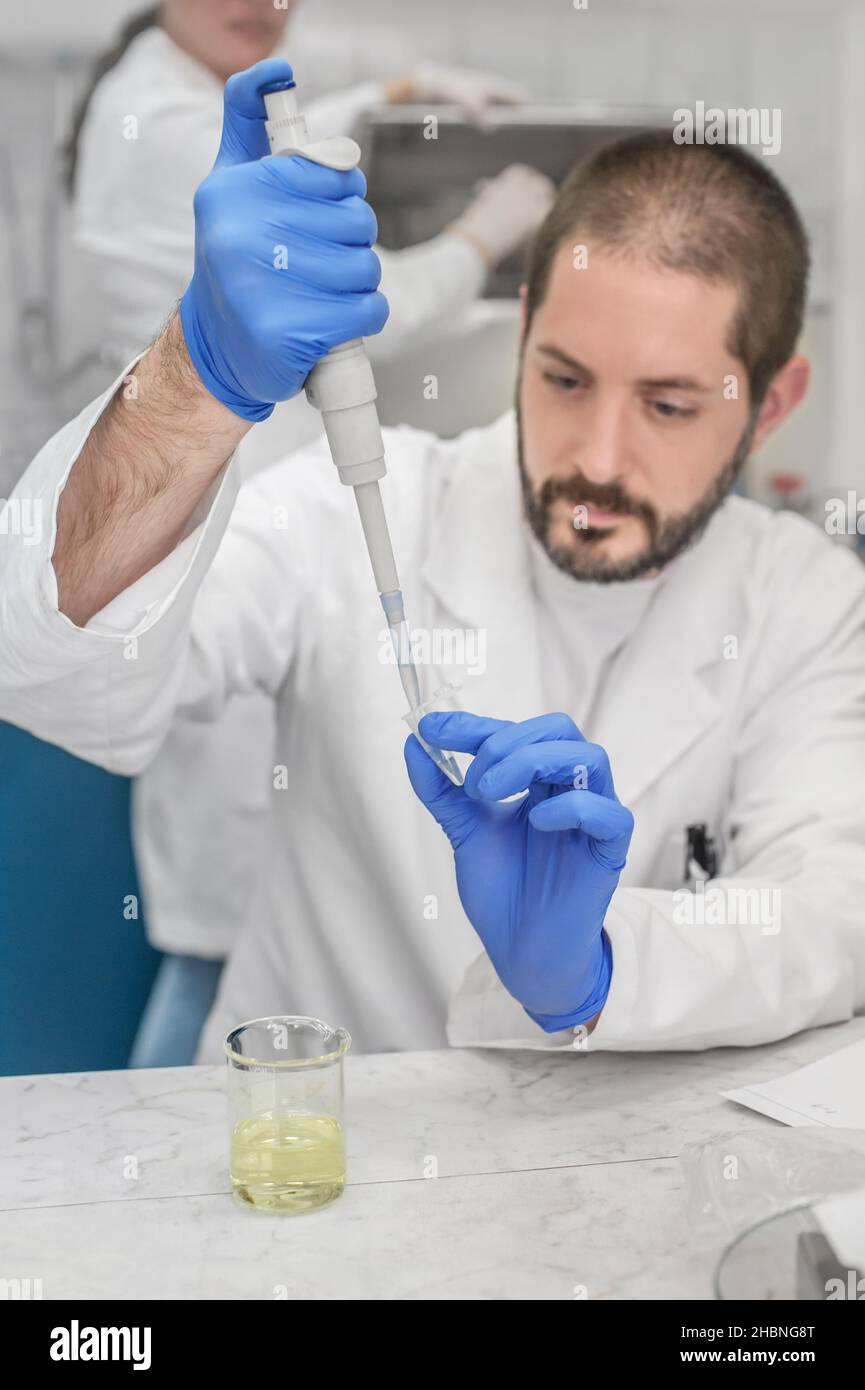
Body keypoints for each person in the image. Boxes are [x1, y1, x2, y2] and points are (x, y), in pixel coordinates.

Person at [3, 61, 864, 1060]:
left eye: (668, 404)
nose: (597, 456)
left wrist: (590, 966)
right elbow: (58, 667)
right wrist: (193, 380)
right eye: (565, 377)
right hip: (317, 1168)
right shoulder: (357, 511)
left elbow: (831, 909)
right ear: (526, 326)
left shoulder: (811, 602)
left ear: (771, 403)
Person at [64, 3, 553, 1063]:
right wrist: (481, 233)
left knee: (236, 948)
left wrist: (388, 92)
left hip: (237, 520)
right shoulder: (151, 115)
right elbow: (358, 301)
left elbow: (265, 147)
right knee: (226, 949)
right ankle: (147, 1192)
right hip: (204, 533)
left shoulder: (165, 93)